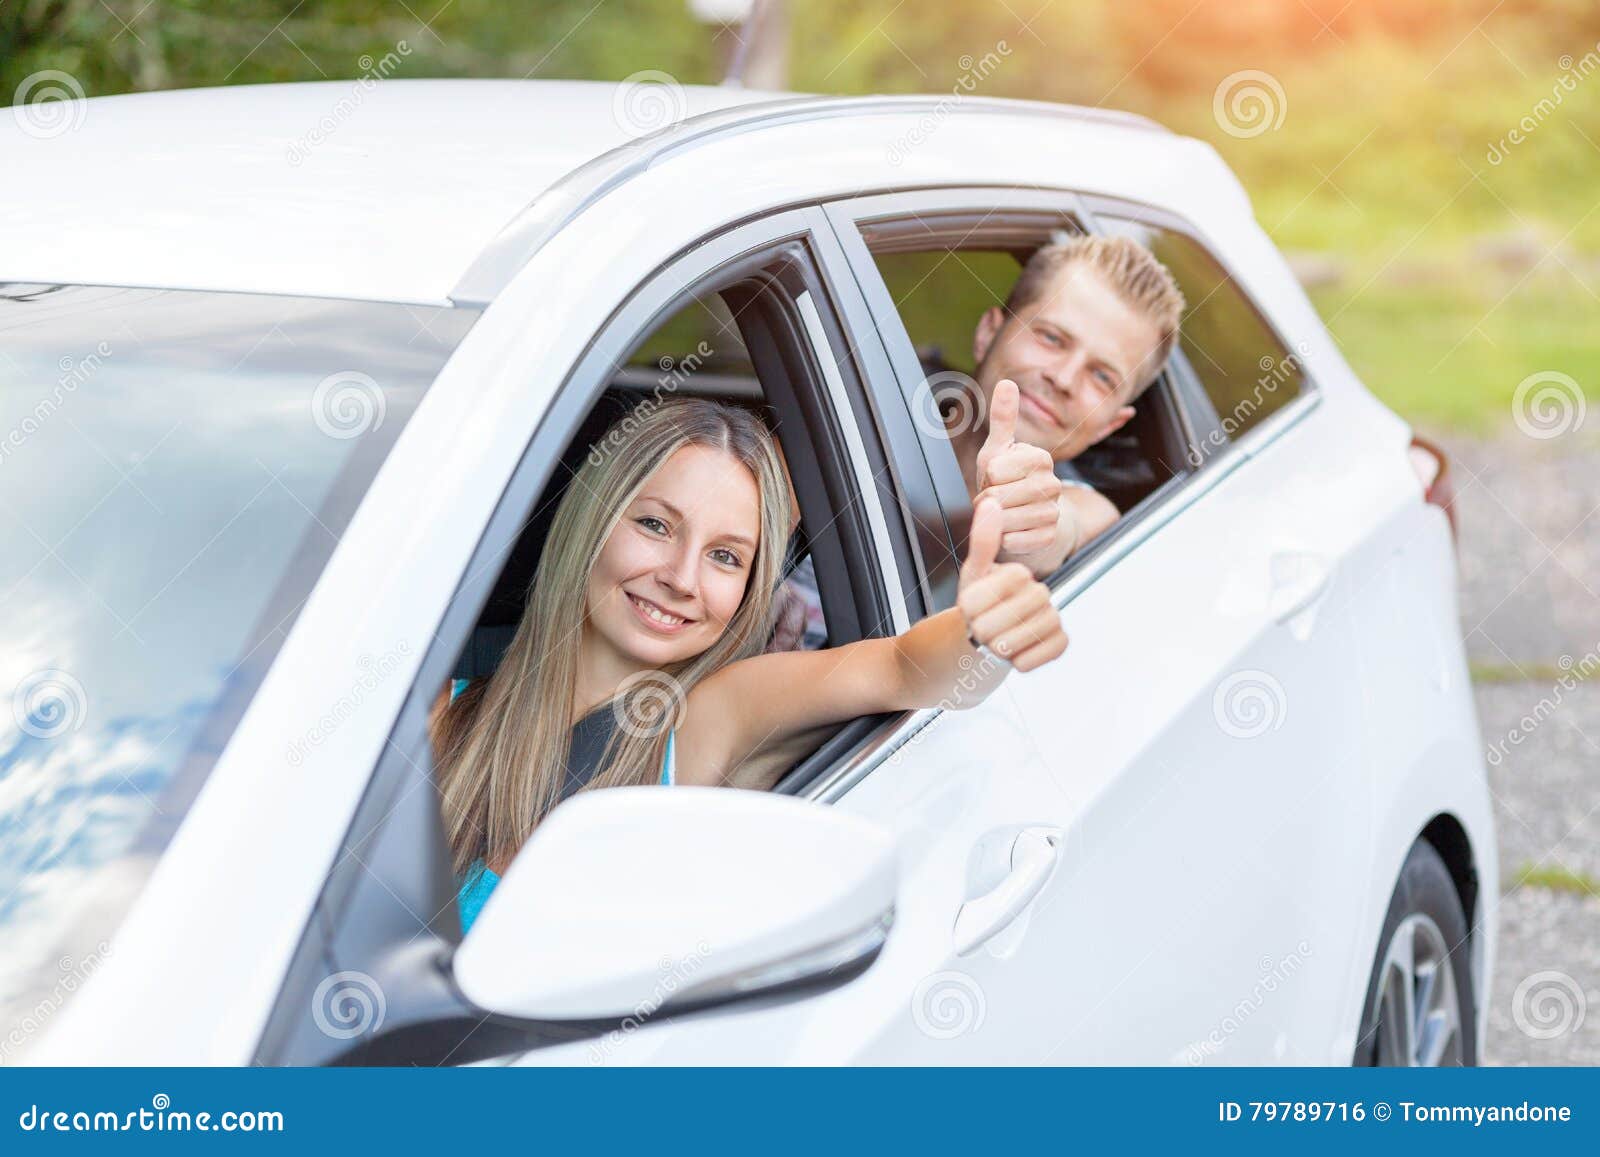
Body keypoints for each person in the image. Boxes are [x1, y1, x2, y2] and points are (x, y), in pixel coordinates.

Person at [430, 397, 1067, 931]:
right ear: (592, 518)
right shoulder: (438, 709)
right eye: (655, 525)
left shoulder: (713, 717)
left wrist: (987, 623)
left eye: (726, 557)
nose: (681, 578)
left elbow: (905, 667)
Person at [944, 233, 1186, 577]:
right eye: (1052, 338)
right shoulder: (868, 406)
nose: (1064, 379)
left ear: (1111, 425)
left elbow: (1066, 527)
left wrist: (1036, 525)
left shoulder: (1089, 509)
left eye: (1102, 377)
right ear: (987, 333)